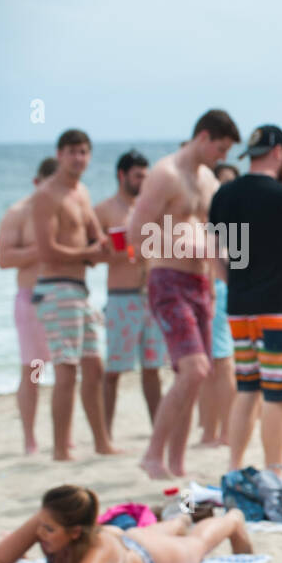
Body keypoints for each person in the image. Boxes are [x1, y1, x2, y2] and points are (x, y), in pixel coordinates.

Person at [129, 109, 240, 478]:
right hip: (168, 279)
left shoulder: (208, 179)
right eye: (220, 148)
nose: (222, 157)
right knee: (193, 369)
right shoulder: (166, 174)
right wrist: (181, 247)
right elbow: (135, 234)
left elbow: (212, 233)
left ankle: (175, 462)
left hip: (201, 283)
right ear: (204, 137)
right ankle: (152, 454)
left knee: (198, 372)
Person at [209, 126, 282, 472]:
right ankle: (273, 469)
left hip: (239, 310)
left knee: (247, 388)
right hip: (277, 310)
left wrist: (234, 283)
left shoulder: (224, 194)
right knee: (277, 394)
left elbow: (215, 252)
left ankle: (234, 467)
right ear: (280, 153)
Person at [0, 485, 252, 563]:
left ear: (74, 532)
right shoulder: (48, 520)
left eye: (48, 530)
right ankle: (182, 514)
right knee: (174, 527)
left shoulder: (97, 548)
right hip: (128, 540)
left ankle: (232, 519)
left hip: (145, 557)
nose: (39, 533)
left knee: (197, 545)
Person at [30, 129, 122, 461]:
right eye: (72, 151)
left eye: (83, 151)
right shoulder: (46, 195)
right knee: (66, 370)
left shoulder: (81, 192)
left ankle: (101, 442)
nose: (78, 158)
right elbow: (46, 250)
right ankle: (59, 450)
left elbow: (98, 240)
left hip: (80, 289)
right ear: (59, 154)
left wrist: (111, 249)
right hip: (56, 288)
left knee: (94, 367)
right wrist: (88, 253)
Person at [94, 149, 164, 431]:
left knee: (152, 369)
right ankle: (105, 433)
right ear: (122, 175)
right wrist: (115, 253)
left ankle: (158, 429)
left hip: (150, 295)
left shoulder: (149, 209)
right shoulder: (104, 210)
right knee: (114, 370)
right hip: (121, 296)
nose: (143, 181)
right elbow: (88, 255)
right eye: (138, 176)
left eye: (146, 176)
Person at [0, 157, 59, 454]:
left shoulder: (66, 209)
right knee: (33, 370)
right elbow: (4, 258)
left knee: (68, 370)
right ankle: (30, 439)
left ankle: (63, 438)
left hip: (64, 298)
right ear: (37, 183)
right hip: (33, 299)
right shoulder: (19, 213)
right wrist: (43, 248)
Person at [196, 161, 244, 447]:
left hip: (221, 288)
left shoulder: (232, 218)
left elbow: (235, 258)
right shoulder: (210, 215)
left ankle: (225, 431)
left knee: (223, 361)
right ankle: (209, 429)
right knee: (208, 364)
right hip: (206, 288)